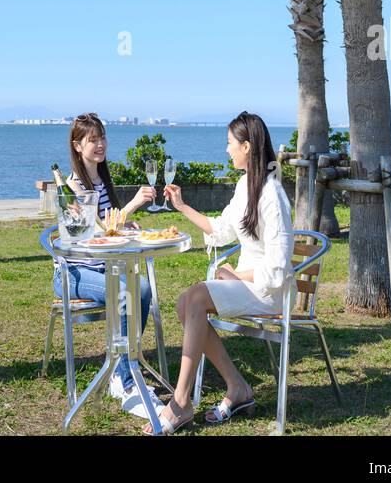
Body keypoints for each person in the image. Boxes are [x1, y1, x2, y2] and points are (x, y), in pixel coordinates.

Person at [144, 110, 294, 434]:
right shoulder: (245, 186)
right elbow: (221, 229)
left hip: (270, 293)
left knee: (196, 297)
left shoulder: (273, 195)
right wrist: (182, 206)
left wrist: (240, 277)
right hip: (247, 285)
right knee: (185, 304)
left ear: (247, 147)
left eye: (230, 143)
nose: (227, 150)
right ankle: (237, 387)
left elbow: (279, 268)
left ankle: (181, 402)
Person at [53, 113, 163, 419]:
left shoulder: (102, 180)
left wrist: (126, 224)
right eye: (93, 140)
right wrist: (130, 208)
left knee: (141, 289)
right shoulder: (72, 188)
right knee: (127, 291)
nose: (100, 145)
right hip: (73, 274)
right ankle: (127, 383)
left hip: (102, 269)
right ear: (77, 146)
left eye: (102, 138)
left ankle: (122, 371)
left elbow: (108, 229)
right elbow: (89, 237)